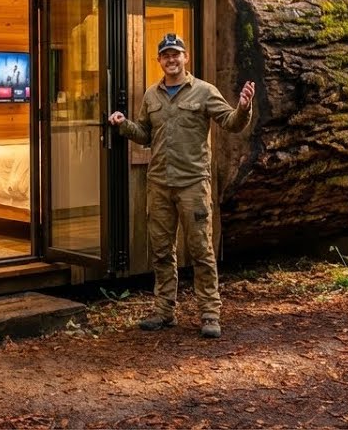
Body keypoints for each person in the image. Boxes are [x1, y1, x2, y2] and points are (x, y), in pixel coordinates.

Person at [108, 32, 255, 339]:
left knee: (201, 250)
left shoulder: (204, 91)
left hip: (193, 184)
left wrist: (243, 107)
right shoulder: (152, 95)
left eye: (176, 54)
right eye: (165, 55)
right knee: (161, 251)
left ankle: (209, 314)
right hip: (159, 183)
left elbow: (231, 122)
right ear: (159, 60)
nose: (171, 60)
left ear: (185, 58)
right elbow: (146, 134)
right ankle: (164, 311)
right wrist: (123, 125)